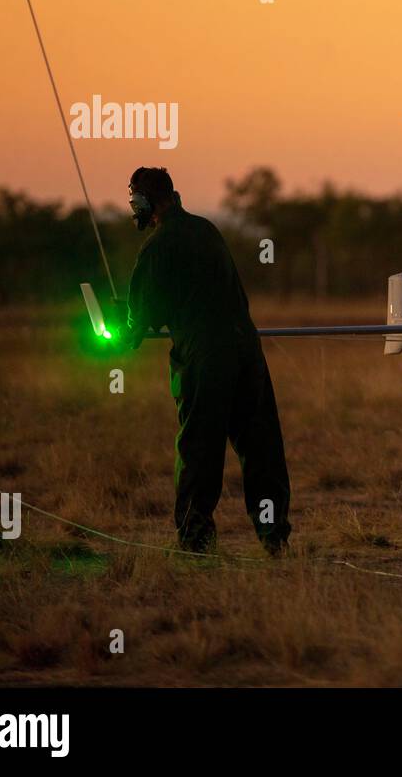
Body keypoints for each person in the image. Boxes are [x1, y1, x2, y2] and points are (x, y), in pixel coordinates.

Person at [121, 167, 292, 555]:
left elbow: (141, 317)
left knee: (199, 449)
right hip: (247, 352)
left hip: (205, 357)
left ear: (147, 201)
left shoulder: (158, 245)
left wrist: (127, 325)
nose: (134, 207)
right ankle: (274, 538)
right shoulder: (206, 229)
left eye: (135, 199)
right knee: (261, 448)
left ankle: (196, 541)